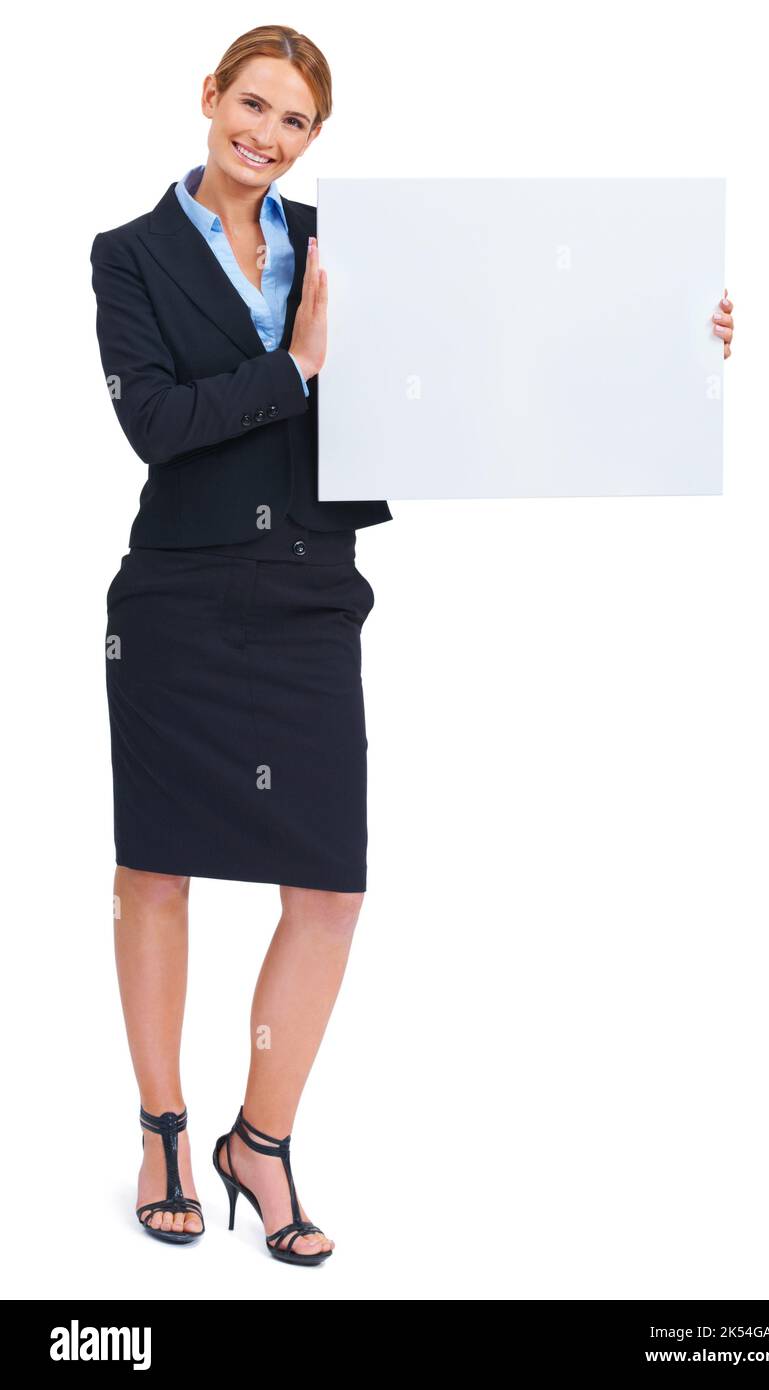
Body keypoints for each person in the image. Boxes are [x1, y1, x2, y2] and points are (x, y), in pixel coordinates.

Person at [91, 23, 392, 1265]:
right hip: (177, 596)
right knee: (155, 872)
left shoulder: (348, 243)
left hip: (310, 590)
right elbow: (153, 422)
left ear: (314, 137)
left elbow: (484, 365)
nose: (265, 137)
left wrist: (669, 352)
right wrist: (297, 367)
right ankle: (164, 1127)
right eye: (252, 105)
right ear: (208, 95)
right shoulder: (129, 256)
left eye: (294, 122)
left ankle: (255, 1142)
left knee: (327, 889)